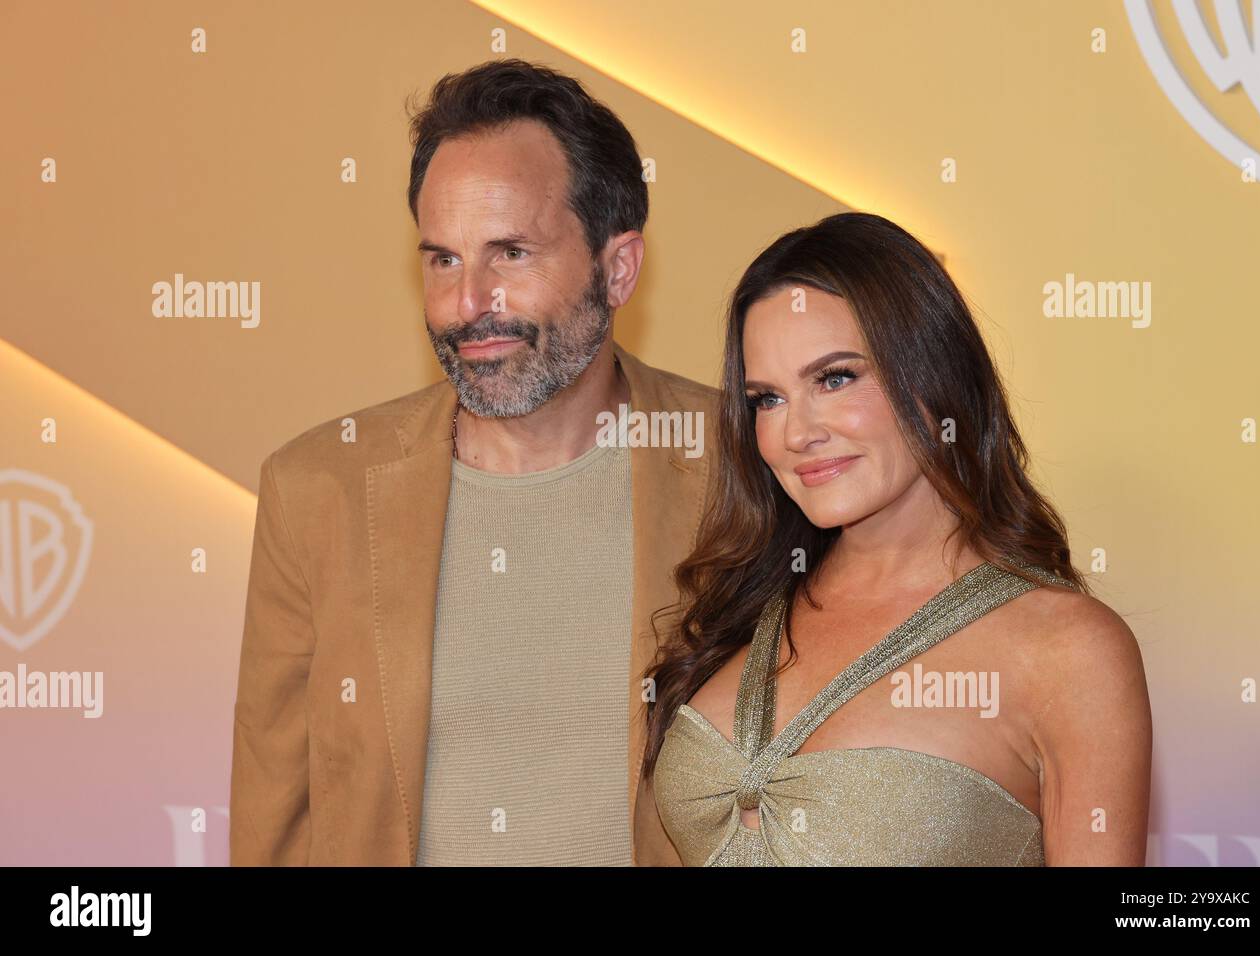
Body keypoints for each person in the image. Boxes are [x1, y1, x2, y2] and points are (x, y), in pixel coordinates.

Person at [230, 59, 715, 866]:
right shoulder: (316, 489)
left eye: (511, 253)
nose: (468, 304)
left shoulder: (744, 463)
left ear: (618, 266)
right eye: (443, 259)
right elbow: (273, 817)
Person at [643, 212, 1152, 866]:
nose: (796, 433)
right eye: (766, 399)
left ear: (930, 374)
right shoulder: (736, 612)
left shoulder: (1067, 650)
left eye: (834, 378)